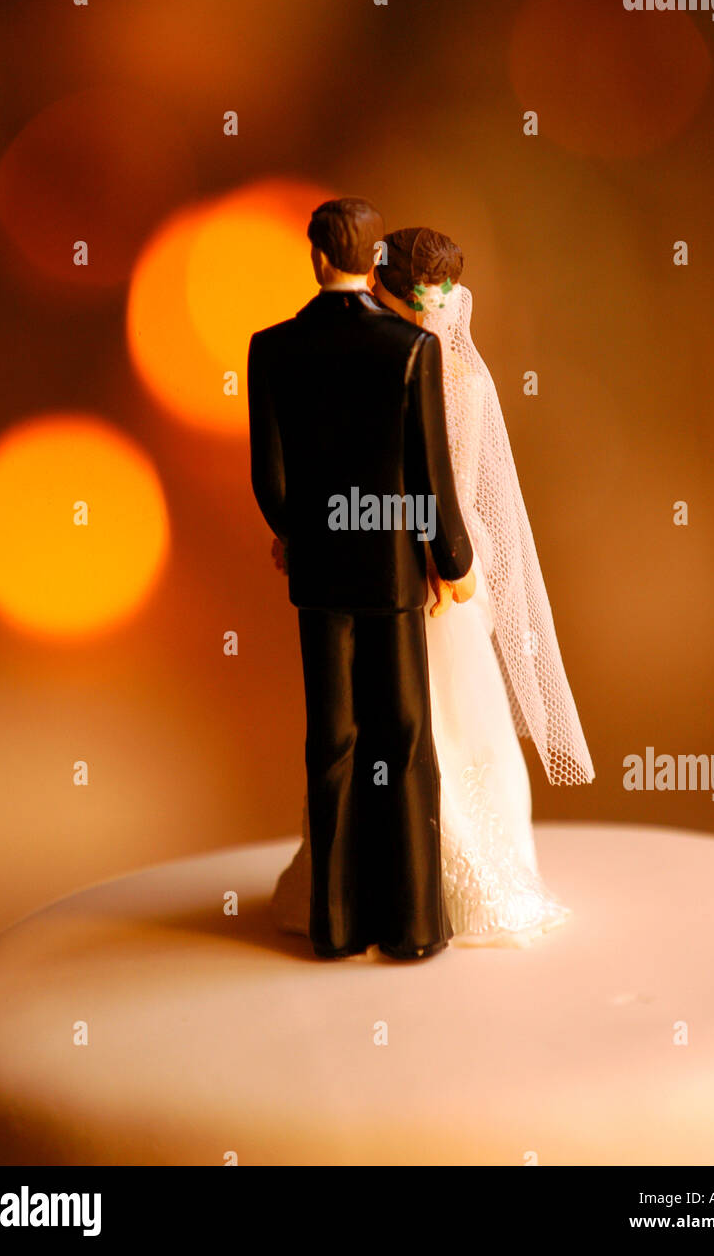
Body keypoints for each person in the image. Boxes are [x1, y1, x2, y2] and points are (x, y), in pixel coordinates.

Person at [273, 225, 595, 946]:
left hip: (414, 573)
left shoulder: (440, 375)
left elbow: (456, 487)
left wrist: (448, 564)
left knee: (424, 726)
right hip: (404, 566)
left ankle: (407, 889)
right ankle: (398, 897)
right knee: (407, 727)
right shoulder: (401, 362)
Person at [248, 200, 475, 961]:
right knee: (405, 739)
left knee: (332, 741)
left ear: (316, 257)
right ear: (369, 258)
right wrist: (455, 562)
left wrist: (300, 532)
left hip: (321, 576)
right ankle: (411, 923)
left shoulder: (272, 348)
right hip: (391, 571)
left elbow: (270, 480)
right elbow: (430, 473)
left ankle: (337, 924)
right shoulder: (410, 348)